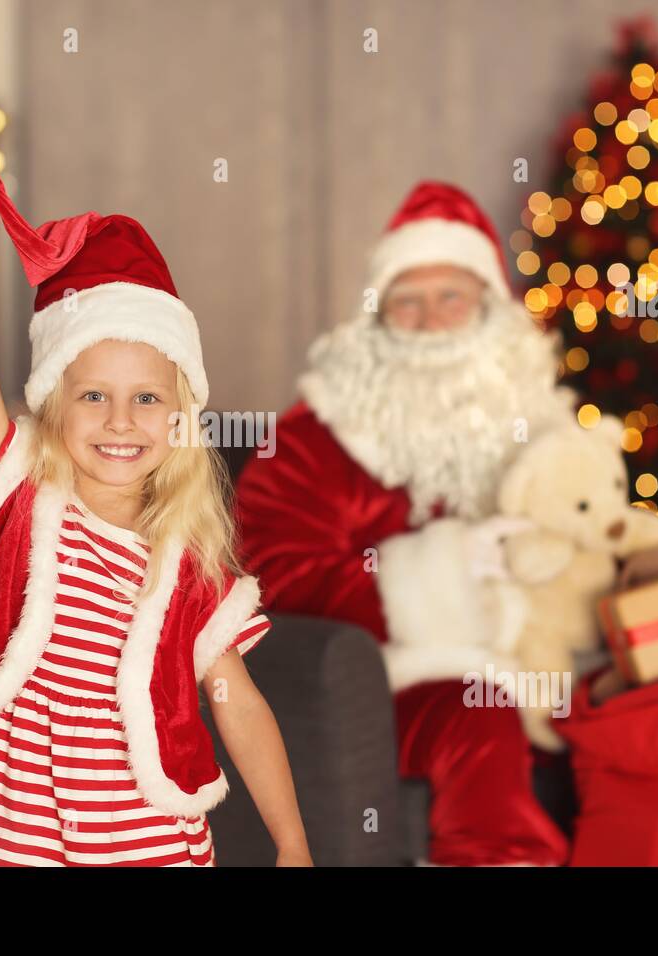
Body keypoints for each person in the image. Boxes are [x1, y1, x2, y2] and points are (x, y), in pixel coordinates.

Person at [0, 103, 312, 866]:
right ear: (55, 406)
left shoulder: (188, 564)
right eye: (94, 395)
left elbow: (239, 707)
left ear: (178, 419)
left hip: (145, 841)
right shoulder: (20, 491)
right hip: (16, 834)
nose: (120, 421)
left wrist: (292, 843)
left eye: (147, 399)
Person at [234, 181, 579, 866]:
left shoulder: (540, 419)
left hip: (551, 661)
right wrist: (446, 572)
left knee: (655, 690)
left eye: (451, 297)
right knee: (476, 714)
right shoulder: (314, 437)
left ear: (488, 306)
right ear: (378, 318)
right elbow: (275, 576)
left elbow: (596, 528)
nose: (428, 322)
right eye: (407, 301)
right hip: (395, 679)